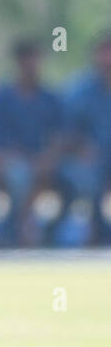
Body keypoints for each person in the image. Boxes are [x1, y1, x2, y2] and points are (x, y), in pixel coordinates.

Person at [0, 39, 65, 246]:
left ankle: (45, 231)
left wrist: (47, 158)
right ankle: (19, 229)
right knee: (19, 175)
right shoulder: (2, 98)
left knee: (77, 177)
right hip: (12, 161)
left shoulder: (50, 98)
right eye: (27, 60)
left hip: (45, 161)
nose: (31, 65)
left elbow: (58, 136)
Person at [61, 32, 111, 245]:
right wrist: (81, 148)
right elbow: (66, 132)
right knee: (86, 176)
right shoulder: (79, 91)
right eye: (104, 52)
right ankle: (94, 233)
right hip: (91, 160)